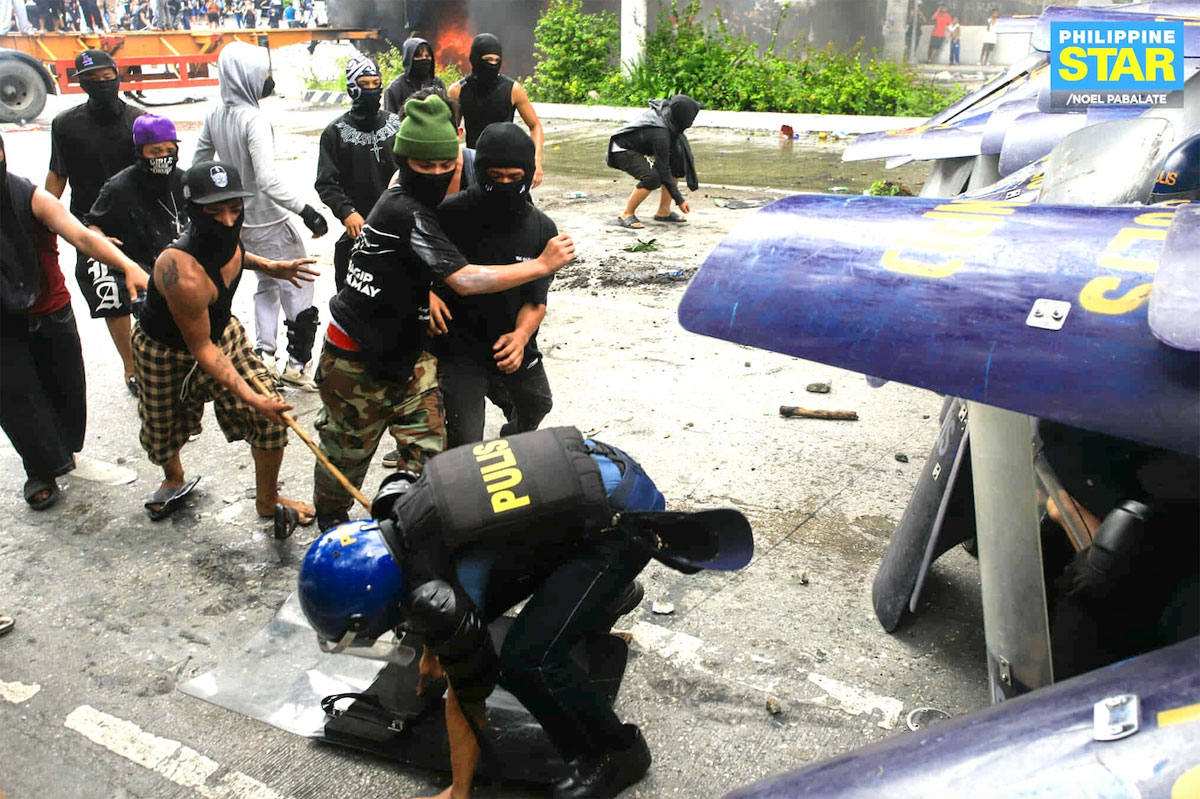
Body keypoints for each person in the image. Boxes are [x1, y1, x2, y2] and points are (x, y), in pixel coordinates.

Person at [300, 429, 669, 799]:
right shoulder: (411, 512)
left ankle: (619, 752)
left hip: (624, 518)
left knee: (528, 660)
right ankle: (602, 594)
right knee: (505, 584)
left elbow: (468, 696)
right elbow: (429, 582)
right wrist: (433, 653)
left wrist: (459, 791)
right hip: (600, 471)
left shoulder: (453, 571)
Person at [311, 94, 574, 533]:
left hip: (411, 350)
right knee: (348, 450)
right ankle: (332, 524)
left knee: (431, 452)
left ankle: (418, 525)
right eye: (422, 165)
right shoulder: (407, 210)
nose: (433, 175)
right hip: (357, 352)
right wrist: (542, 264)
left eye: (442, 165)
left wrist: (425, 291)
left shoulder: (417, 194)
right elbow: (464, 279)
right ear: (405, 162)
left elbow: (526, 296)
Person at [132, 160, 318, 536]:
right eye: (214, 212)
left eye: (235, 208)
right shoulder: (181, 272)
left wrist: (271, 266)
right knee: (162, 429)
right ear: (194, 213)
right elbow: (200, 349)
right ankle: (174, 475)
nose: (229, 221)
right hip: (167, 351)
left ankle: (268, 500)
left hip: (222, 335)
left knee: (270, 417)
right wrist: (251, 396)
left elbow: (234, 256)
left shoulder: (230, 235)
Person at [1, 133, 146, 511]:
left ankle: (62, 453)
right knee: (18, 401)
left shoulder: (31, 197)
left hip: (50, 311)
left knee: (66, 394)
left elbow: (81, 236)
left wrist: (128, 266)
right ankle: (40, 470)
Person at [195, 41, 329, 391]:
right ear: (247, 75)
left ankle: (264, 355)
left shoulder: (215, 115)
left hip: (239, 224)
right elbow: (267, 179)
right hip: (270, 220)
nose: (267, 78)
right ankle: (297, 364)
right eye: (263, 72)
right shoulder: (253, 119)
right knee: (299, 285)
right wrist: (307, 211)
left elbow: (197, 167)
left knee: (265, 285)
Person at [431, 123, 556, 451]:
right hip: (459, 348)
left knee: (538, 404)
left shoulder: (542, 228)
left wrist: (520, 337)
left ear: (528, 175)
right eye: (494, 175)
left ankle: (509, 446)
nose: (503, 184)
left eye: (514, 177)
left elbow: (536, 300)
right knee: (465, 439)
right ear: (479, 170)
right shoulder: (449, 215)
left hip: (509, 343)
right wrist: (426, 293)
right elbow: (415, 266)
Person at [46, 49, 150, 394]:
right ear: (81, 84)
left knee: (152, 293)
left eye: (108, 78)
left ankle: (159, 358)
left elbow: (157, 172)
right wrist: (45, 219)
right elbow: (57, 175)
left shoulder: (139, 121)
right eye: (93, 80)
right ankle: (131, 366)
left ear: (118, 77)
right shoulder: (65, 125)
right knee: (111, 298)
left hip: (138, 222)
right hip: (89, 227)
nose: (102, 85)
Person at [84, 115, 188, 394]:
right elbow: (92, 222)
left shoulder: (183, 180)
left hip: (171, 256)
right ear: (140, 152)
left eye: (169, 151)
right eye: (155, 152)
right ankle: (132, 367)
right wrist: (101, 239)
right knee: (115, 297)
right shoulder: (118, 186)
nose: (163, 158)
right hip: (130, 259)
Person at [314, 54, 399, 293]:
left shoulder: (397, 124)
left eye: (375, 83)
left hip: (398, 224)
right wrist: (346, 212)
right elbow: (326, 183)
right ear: (352, 87)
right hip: (359, 229)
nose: (371, 90)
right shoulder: (336, 132)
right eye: (364, 84)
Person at [448, 33, 544, 188]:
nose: (492, 65)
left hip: (508, 163)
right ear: (476, 59)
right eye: (487, 60)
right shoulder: (458, 91)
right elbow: (450, 131)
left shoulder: (512, 89)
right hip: (474, 163)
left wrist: (536, 161)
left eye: (496, 60)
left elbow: (535, 126)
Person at [606, 94, 700, 230]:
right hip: (621, 149)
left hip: (638, 147)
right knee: (652, 177)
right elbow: (663, 170)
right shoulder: (660, 132)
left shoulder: (668, 117)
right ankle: (627, 214)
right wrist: (679, 200)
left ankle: (664, 212)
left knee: (677, 162)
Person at [383, 37, 445, 115]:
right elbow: (390, 121)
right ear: (409, 59)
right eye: (418, 56)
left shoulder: (437, 83)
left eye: (427, 56)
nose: (424, 59)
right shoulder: (395, 89)